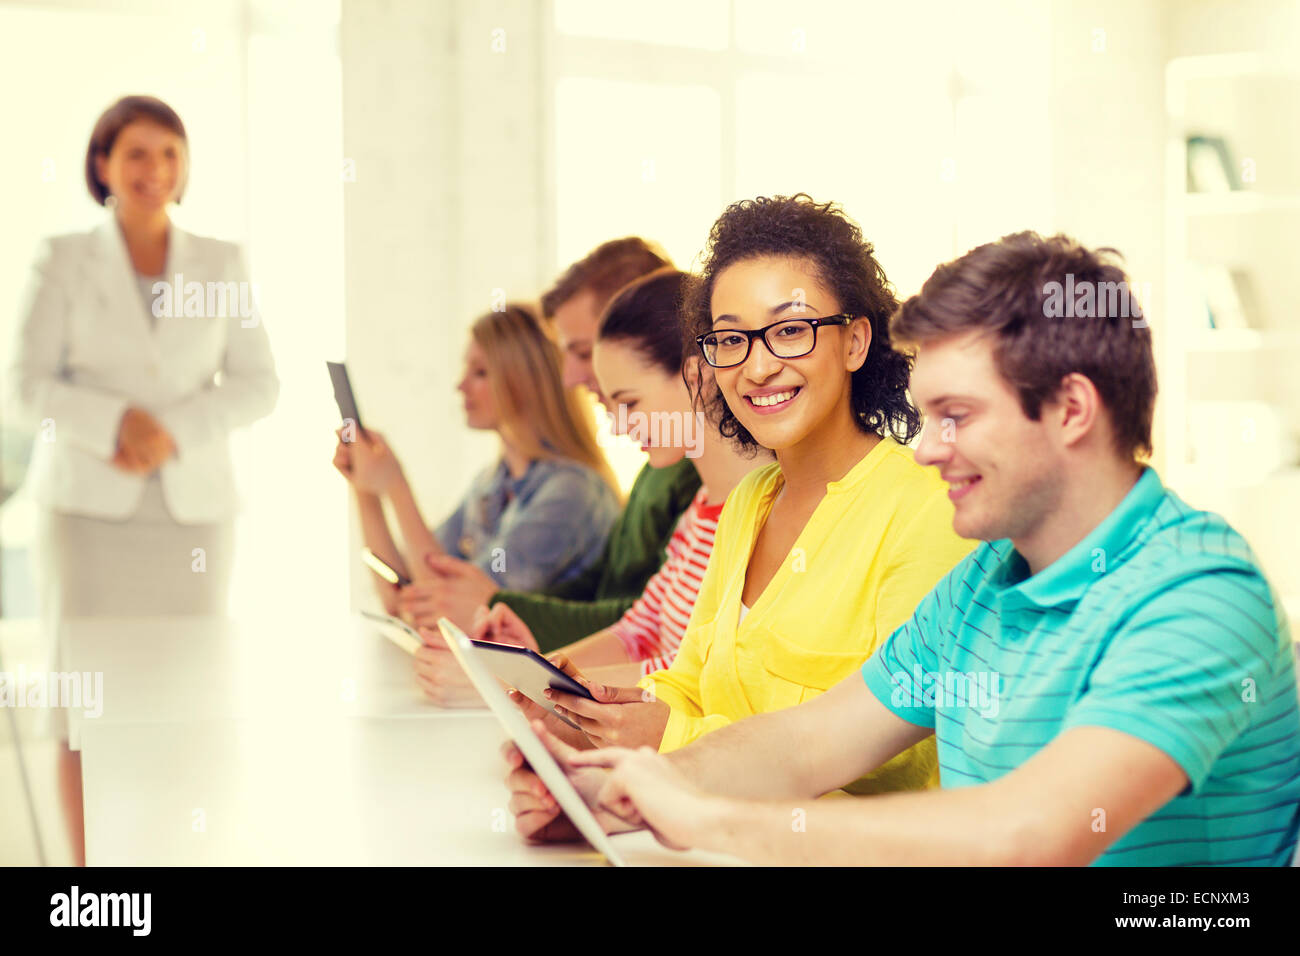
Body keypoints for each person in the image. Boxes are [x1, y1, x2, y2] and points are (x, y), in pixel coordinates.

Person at [506, 232, 1300, 866]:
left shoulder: (1199, 594)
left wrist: (706, 818)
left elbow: (1026, 836)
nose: (926, 450)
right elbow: (809, 742)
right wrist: (617, 789)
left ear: (1070, 410)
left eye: (956, 414)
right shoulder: (984, 585)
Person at [506, 195, 972, 774]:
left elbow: (887, 758)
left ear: (855, 342)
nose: (757, 367)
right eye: (731, 339)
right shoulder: (750, 502)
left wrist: (669, 739)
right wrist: (592, 724)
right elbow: (692, 685)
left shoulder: (929, 509)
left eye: (790, 330)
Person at [8, 94, 279, 863]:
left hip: (193, 518)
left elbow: (260, 384)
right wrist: (112, 423)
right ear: (102, 164)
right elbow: (23, 386)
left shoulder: (222, 261)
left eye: (169, 153)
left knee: (182, 703)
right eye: (136, 153)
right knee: (82, 706)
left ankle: (169, 858)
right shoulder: (63, 258)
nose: (154, 169)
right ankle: (90, 877)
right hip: (87, 516)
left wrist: (176, 430)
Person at [425, 268, 766, 707]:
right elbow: (638, 632)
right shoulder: (700, 509)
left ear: (696, 376)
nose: (619, 426)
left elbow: (694, 677)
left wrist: (513, 682)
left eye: (630, 403)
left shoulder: (763, 514)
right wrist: (531, 669)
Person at [391, 239, 702, 648]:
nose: (569, 377)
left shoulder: (587, 486)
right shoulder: (661, 467)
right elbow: (628, 611)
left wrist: (499, 612)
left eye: (581, 351)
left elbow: (650, 630)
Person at [332, 304, 621, 626]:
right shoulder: (491, 483)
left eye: (480, 372)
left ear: (524, 384)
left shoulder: (572, 493)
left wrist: (395, 486)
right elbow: (400, 595)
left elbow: (448, 614)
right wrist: (364, 489)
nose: (460, 385)